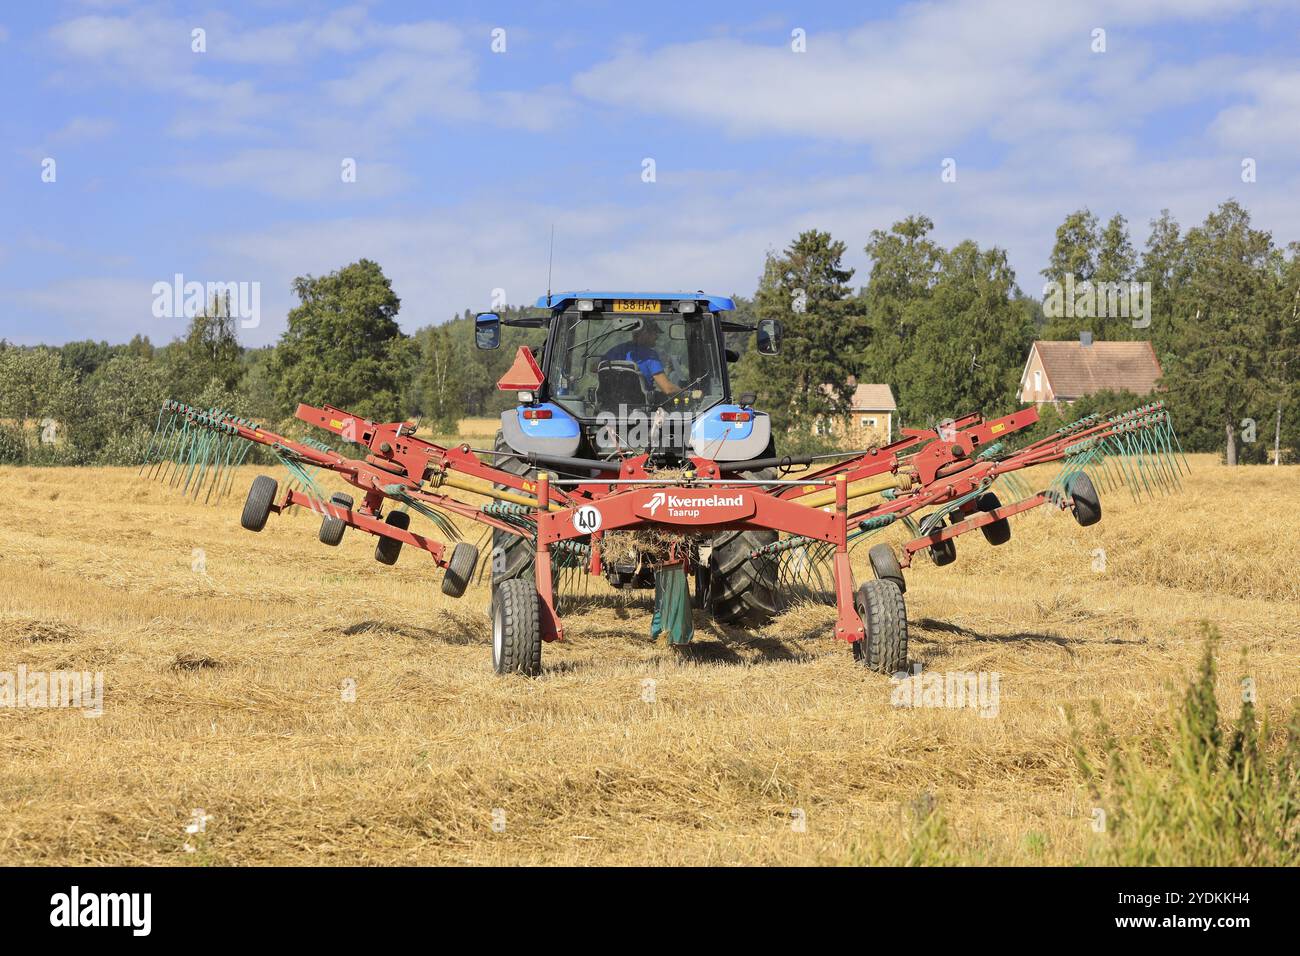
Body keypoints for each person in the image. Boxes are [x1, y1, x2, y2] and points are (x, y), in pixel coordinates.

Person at [602, 321, 681, 395]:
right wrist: (686, 392)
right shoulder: (650, 356)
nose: (657, 337)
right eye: (655, 333)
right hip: (641, 406)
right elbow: (668, 389)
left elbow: (594, 367)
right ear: (644, 333)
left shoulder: (618, 350)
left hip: (611, 404)